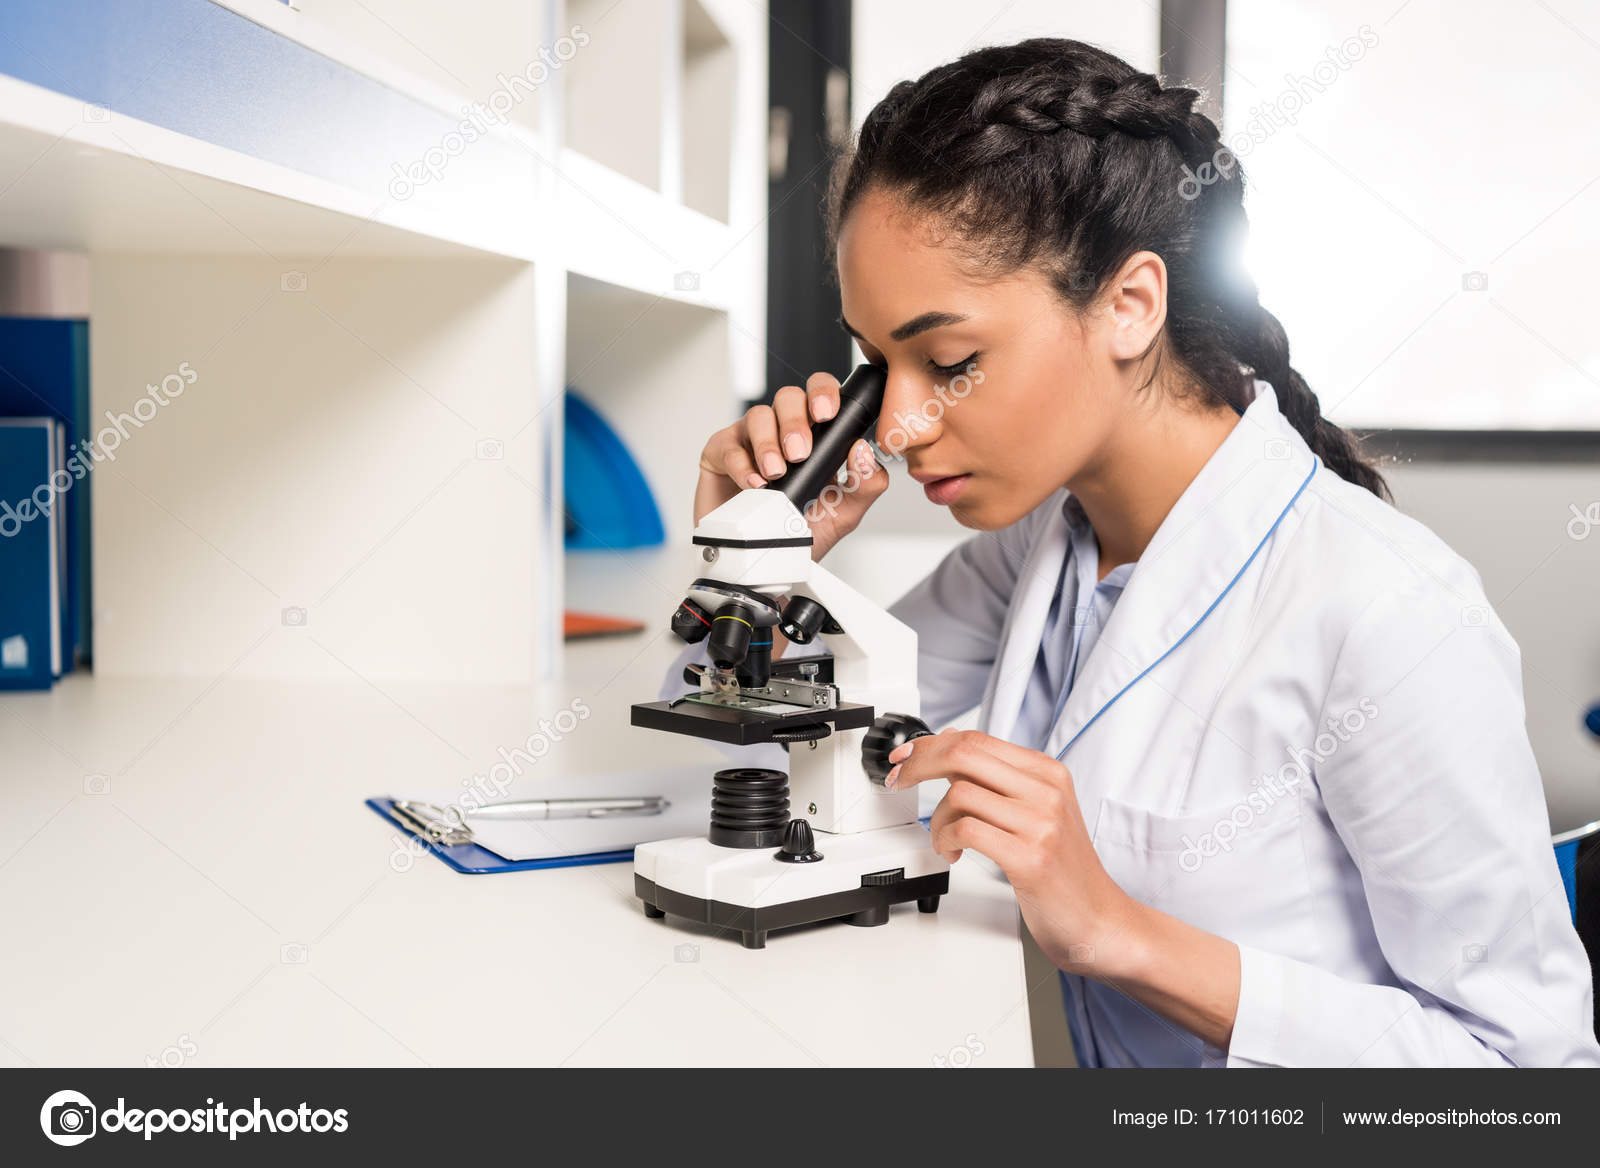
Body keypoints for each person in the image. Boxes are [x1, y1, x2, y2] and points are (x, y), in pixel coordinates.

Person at [665, 38, 1599, 1067]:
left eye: (949, 359)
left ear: (1129, 306)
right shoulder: (1040, 545)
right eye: (876, 365)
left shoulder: (1392, 612)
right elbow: (763, 762)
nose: (894, 425)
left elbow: (1530, 1072)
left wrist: (1121, 933)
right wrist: (762, 562)